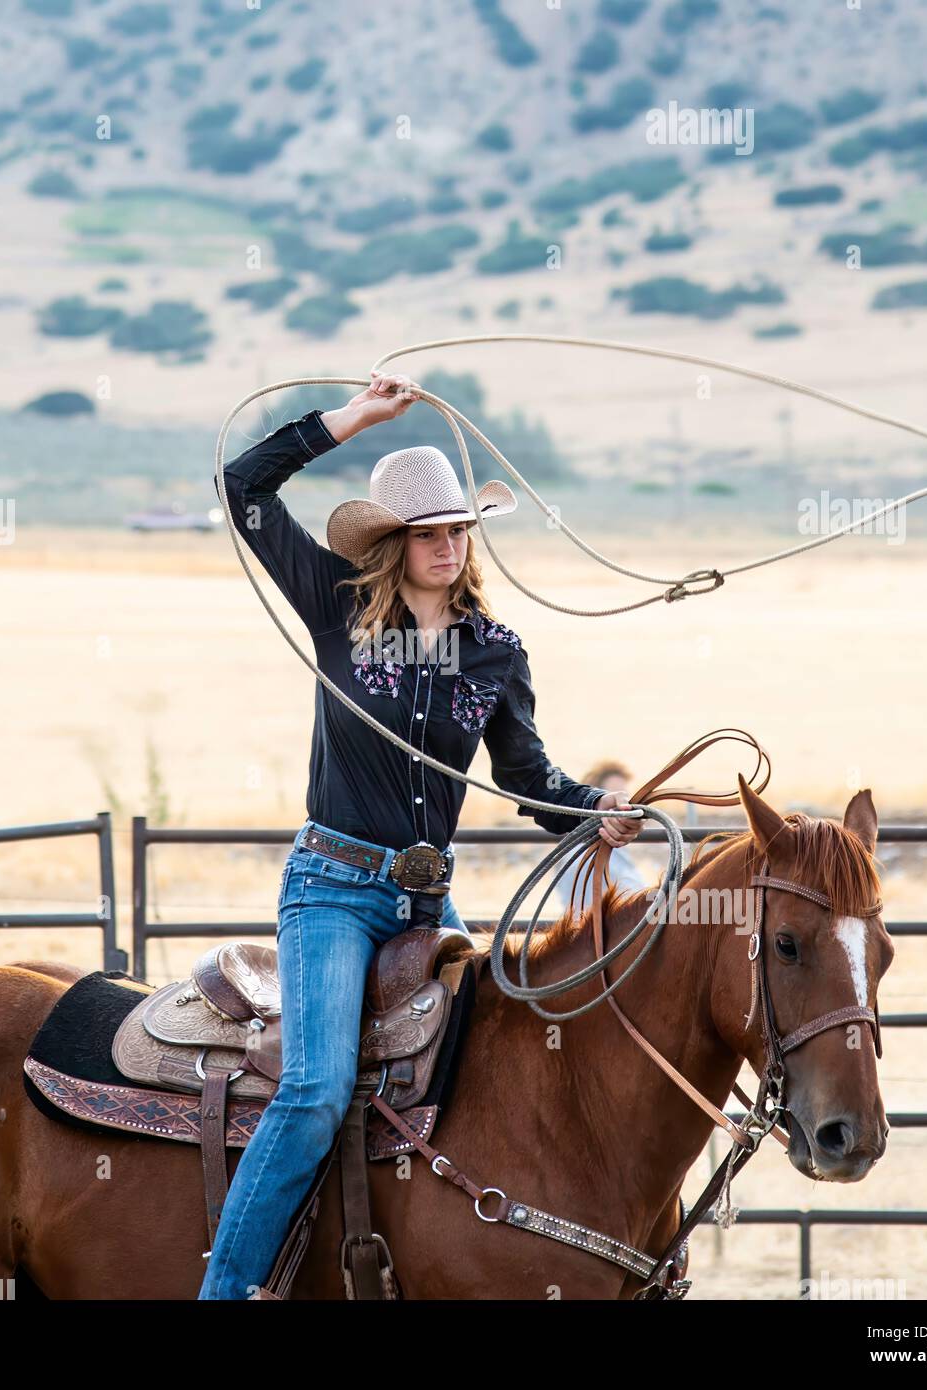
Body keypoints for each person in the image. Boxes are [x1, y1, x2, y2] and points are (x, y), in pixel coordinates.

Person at [200, 370, 641, 1300]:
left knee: (490, 1082)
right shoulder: (334, 607)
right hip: (332, 890)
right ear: (394, 542)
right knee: (316, 1094)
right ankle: (229, 1292)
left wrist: (591, 814)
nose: (448, 545)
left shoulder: (495, 650)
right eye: (430, 533)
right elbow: (243, 487)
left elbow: (528, 777)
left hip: (427, 900)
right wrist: (350, 420)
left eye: (458, 532)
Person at [554, 759, 650, 914]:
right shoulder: (584, 859)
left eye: (627, 799)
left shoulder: (616, 849)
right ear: (597, 804)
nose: (625, 807)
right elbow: (584, 920)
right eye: (615, 799)